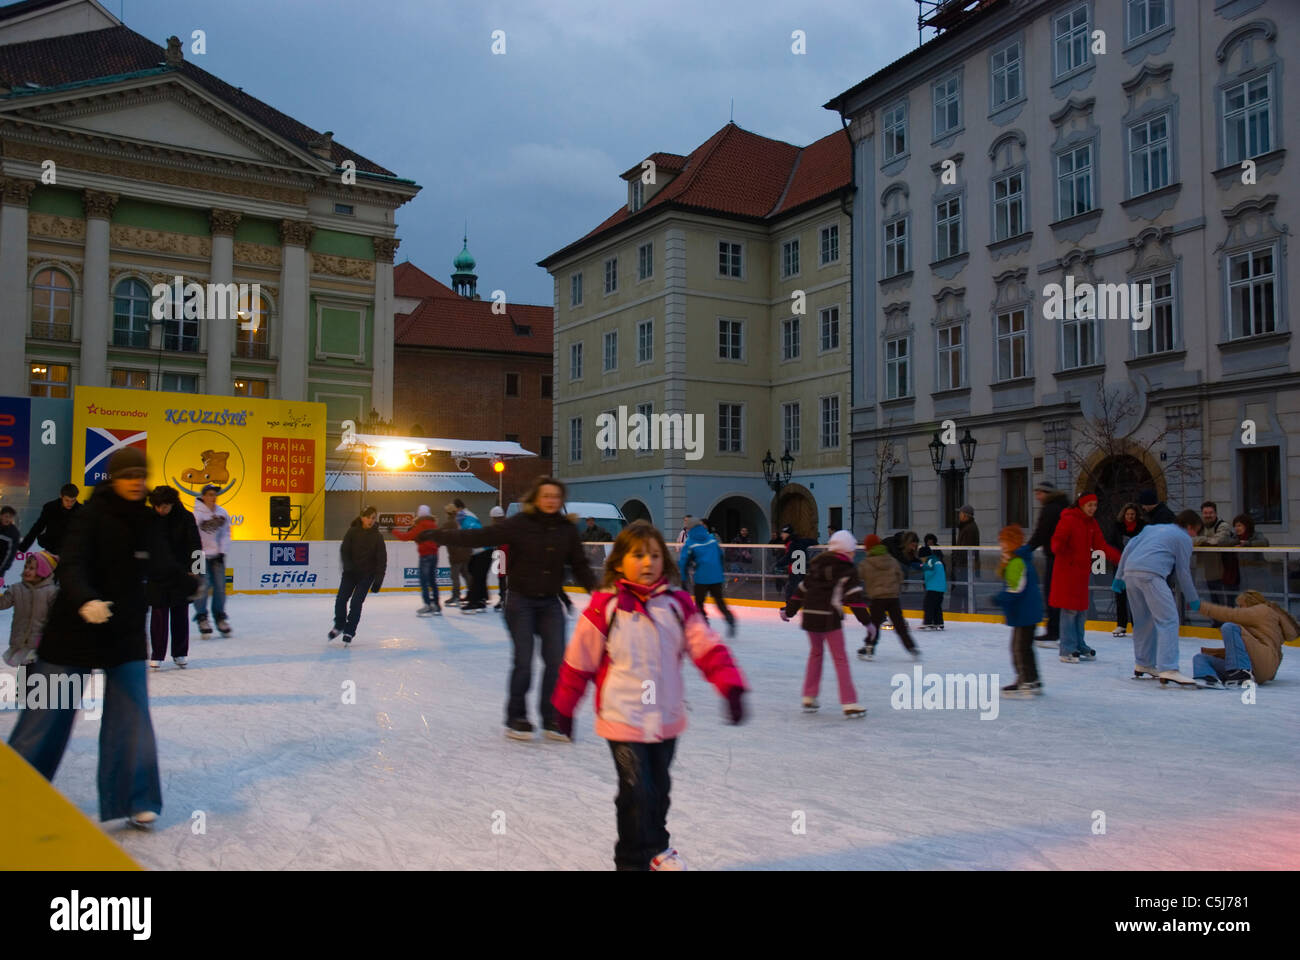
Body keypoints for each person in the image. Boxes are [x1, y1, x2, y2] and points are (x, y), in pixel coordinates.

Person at [7, 447, 195, 828]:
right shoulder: (89, 516)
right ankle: (10, 792)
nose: (135, 482)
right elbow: (72, 565)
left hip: (123, 631)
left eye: (140, 476)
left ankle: (135, 797)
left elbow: (161, 564)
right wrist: (86, 599)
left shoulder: (147, 521)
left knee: (133, 716)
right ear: (114, 478)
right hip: (72, 629)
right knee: (46, 714)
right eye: (128, 476)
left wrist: (189, 582)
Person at [551, 520, 746, 871]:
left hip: (666, 717)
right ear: (619, 561)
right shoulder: (605, 606)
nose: (647, 562)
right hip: (622, 716)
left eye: (654, 555)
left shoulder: (678, 604)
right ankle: (631, 860)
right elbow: (578, 662)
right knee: (636, 791)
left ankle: (657, 849)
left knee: (659, 790)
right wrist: (564, 708)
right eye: (637, 555)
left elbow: (707, 648)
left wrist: (730, 685)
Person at [419, 476, 598, 741]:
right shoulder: (519, 524)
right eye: (545, 495)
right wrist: (439, 535)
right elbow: (480, 535)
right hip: (521, 602)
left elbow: (581, 566)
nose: (550, 500)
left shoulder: (566, 530)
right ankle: (517, 716)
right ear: (536, 498)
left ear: (560, 500)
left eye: (555, 496)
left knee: (555, 661)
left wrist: (600, 593)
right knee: (524, 660)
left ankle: (551, 718)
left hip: (549, 603)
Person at [781, 529, 872, 717]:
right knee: (840, 658)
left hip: (810, 616)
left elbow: (801, 590)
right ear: (846, 550)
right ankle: (849, 702)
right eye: (852, 550)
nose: (854, 553)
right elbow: (855, 599)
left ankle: (809, 696)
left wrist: (788, 610)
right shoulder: (847, 569)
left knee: (816, 654)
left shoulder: (816, 564)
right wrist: (868, 623)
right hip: (829, 617)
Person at [1112, 509, 1204, 685]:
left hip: (1130, 574)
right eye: (1196, 531)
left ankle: (1143, 663)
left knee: (1142, 621)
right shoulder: (1183, 538)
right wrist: (1193, 598)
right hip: (1151, 575)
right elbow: (1183, 572)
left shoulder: (1152, 529)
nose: (1194, 536)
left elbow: (1128, 548)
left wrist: (1119, 577)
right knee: (1168, 620)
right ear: (1190, 527)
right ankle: (1168, 668)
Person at [1050, 493, 1119, 663]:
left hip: (1081, 573)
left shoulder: (1091, 523)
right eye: (1090, 505)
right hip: (1067, 572)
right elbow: (1056, 542)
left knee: (1081, 610)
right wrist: (1060, 547)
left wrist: (1120, 558)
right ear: (1081, 505)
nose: (1093, 508)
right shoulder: (1069, 519)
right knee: (1069, 610)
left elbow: (1100, 545)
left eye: (1095, 505)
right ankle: (1066, 649)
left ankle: (1079, 644)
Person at [146, 486, 201, 669]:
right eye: (157, 506)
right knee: (158, 614)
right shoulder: (150, 518)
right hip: (157, 574)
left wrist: (196, 570)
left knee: (180, 613)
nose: (161, 510)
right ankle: (157, 653)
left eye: (165, 506)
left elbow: (195, 544)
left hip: (181, 573)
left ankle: (180, 652)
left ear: (172, 503)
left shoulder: (185, 518)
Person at [1192, 590, 1294, 687]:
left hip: (1258, 664)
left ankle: (1241, 675)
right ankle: (1208, 678)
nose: (1239, 609)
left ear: (1251, 603)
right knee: (1200, 658)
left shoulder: (1263, 610)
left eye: (1241, 606)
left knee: (1229, 627)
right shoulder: (1259, 622)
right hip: (1255, 665)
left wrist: (1201, 607)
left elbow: (1230, 614)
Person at [993, 525, 1044, 698]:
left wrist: (998, 599)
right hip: (1027, 613)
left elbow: (1015, 590)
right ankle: (1031, 679)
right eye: (1002, 542)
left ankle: (1027, 681)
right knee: (1024, 648)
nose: (1002, 546)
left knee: (1019, 648)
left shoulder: (1017, 562)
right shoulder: (1018, 560)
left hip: (1025, 613)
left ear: (1013, 542)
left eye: (1005, 542)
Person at [329, 506, 387, 645]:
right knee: (341, 599)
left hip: (366, 576)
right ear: (362, 517)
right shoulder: (352, 532)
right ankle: (340, 624)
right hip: (350, 574)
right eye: (368, 517)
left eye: (373, 518)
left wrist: (378, 580)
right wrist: (348, 566)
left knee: (356, 603)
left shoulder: (378, 537)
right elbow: (344, 550)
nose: (371, 520)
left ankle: (350, 630)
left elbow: (382, 560)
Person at [857, 534, 919, 660]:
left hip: (877, 599)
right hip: (893, 598)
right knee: (899, 624)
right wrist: (894, 586)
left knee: (874, 625)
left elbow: (859, 576)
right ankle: (911, 647)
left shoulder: (866, 563)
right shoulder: (891, 559)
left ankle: (869, 646)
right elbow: (900, 575)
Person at [1027, 481, 1068, 647]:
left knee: (1051, 593)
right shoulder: (1064, 505)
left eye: (1039, 493)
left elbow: (1041, 533)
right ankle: (1062, 631)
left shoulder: (1050, 509)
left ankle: (1053, 632)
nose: (1037, 497)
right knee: (1061, 595)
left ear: (1047, 493)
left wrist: (1026, 549)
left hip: (1055, 557)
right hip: (1065, 557)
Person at [1, 551, 58, 667]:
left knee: (37, 679)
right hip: (20, 644)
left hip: (40, 646)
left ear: (43, 571)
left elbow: (57, 616)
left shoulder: (51, 592)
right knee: (22, 680)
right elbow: (2, 604)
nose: (26, 570)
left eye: (31, 568)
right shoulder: (17, 589)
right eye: (26, 567)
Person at [681, 519, 736, 638]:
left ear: (690, 529)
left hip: (702, 577)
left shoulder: (690, 542)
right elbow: (721, 555)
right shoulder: (711, 539)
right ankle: (730, 619)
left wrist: (683, 578)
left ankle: (704, 624)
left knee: (699, 603)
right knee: (719, 601)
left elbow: (684, 561)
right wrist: (719, 571)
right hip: (716, 576)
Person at [192, 484, 232, 637]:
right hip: (198, 555)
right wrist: (196, 554)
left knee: (220, 587)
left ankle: (220, 617)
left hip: (217, 555)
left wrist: (222, 551)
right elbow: (192, 537)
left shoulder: (222, 513)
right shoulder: (196, 514)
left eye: (214, 494)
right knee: (201, 587)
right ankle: (202, 617)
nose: (212, 497)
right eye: (209, 494)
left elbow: (226, 533)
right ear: (203, 496)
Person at [1106, 502, 1146, 637]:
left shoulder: (1142, 527)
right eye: (1128, 514)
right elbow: (1111, 544)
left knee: (1136, 597)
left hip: (1137, 566)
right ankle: (1121, 624)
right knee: (1120, 596)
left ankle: (1138, 625)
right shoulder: (1117, 527)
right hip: (1120, 565)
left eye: (1132, 514)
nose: (1130, 516)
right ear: (1124, 514)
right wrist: (1118, 558)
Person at [393, 505, 441, 616]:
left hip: (425, 556)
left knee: (424, 581)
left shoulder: (420, 526)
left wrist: (394, 531)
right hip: (434, 555)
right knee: (433, 581)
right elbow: (439, 540)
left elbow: (405, 537)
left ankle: (428, 605)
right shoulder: (434, 525)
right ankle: (436, 605)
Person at [1193, 501, 1237, 622]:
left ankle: (1228, 623)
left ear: (1215, 513)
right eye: (1205, 513)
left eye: (1210, 513)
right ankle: (1217, 623)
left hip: (1225, 570)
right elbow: (1189, 539)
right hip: (1207, 571)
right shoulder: (1199, 526)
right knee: (1213, 599)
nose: (1208, 515)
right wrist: (1206, 540)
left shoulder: (1223, 526)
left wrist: (1201, 540)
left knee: (1226, 601)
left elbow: (1218, 540)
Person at [18, 482, 81, 558]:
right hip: (52, 548)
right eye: (67, 500)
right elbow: (38, 527)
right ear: (61, 496)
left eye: (73, 501)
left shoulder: (80, 511)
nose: (70, 504)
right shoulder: (50, 508)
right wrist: (24, 546)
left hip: (71, 551)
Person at [950, 505, 981, 613]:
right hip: (964, 564)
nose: (959, 515)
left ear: (965, 515)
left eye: (961, 513)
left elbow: (966, 549)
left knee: (965, 589)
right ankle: (967, 610)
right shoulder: (966, 527)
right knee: (965, 589)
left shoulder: (969, 528)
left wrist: (958, 562)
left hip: (964, 565)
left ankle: (967, 611)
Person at [774, 524, 816, 603]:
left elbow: (789, 557)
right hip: (801, 570)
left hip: (796, 571)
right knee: (796, 589)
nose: (781, 535)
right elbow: (813, 541)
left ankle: (790, 608)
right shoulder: (800, 541)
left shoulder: (792, 543)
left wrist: (778, 564)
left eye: (783, 533)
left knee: (791, 591)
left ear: (787, 534)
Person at [442, 504, 471, 607]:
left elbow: (441, 536)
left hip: (456, 554)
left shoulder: (449, 524)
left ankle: (456, 596)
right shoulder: (462, 521)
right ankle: (473, 594)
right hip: (466, 552)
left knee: (455, 576)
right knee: (466, 575)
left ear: (448, 513)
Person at [919, 535, 947, 630]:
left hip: (933, 588)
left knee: (928, 605)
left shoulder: (930, 560)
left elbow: (929, 572)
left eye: (921, 558)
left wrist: (921, 566)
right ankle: (939, 623)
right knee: (937, 606)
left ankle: (928, 623)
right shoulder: (937, 560)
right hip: (941, 588)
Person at [489, 505, 508, 610]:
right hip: (507, 554)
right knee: (505, 578)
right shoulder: (508, 524)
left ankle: (504, 600)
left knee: (502, 578)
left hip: (504, 554)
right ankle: (505, 600)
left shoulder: (498, 527)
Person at [0, 505, 20, 584]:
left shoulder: (14, 533)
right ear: (1, 516)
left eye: (10, 517)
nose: (8, 519)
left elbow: (11, 554)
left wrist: (2, 569)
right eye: (6, 516)